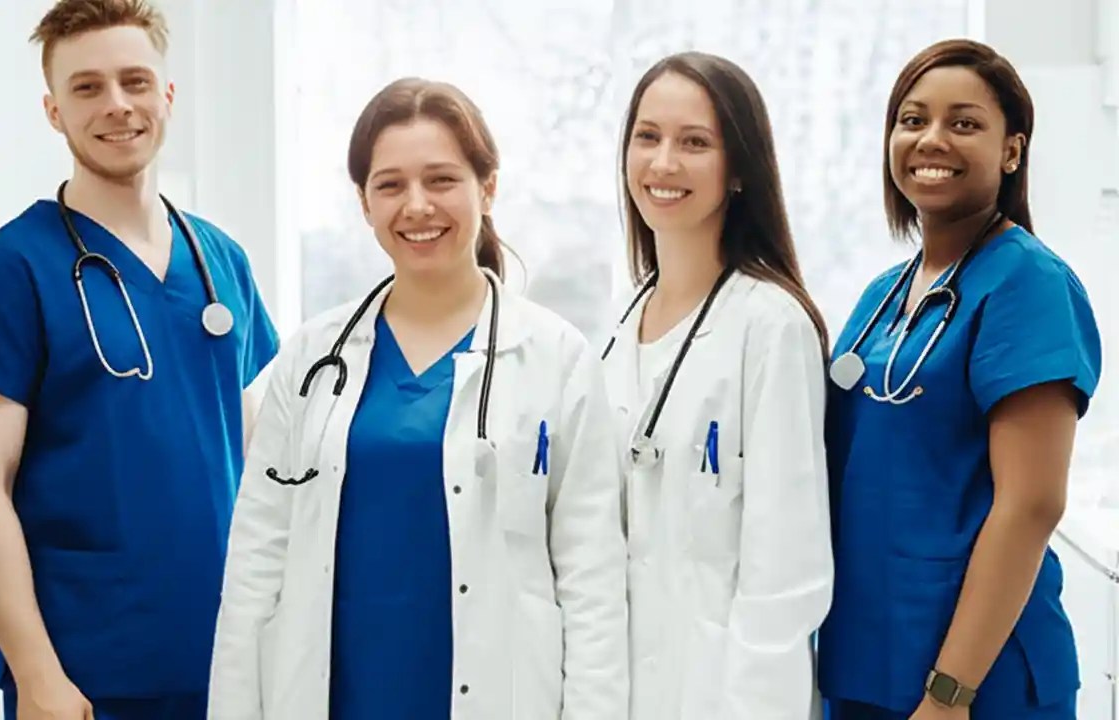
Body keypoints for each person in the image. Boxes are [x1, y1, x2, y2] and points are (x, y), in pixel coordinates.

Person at [206, 77, 629, 719]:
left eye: (441, 180)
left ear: (487, 188)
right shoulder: (311, 359)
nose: (417, 206)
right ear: (364, 202)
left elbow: (591, 581)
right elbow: (255, 570)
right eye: (390, 185)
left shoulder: (556, 357)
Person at [0, 1, 280, 718]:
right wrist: (36, 673)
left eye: (135, 81)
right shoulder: (9, 270)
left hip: (230, 655)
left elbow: (247, 449)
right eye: (87, 87)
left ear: (168, 95)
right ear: (53, 110)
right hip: (88, 670)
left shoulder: (220, 259)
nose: (117, 105)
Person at [818, 39, 1103, 720]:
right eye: (912, 120)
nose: (932, 140)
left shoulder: (1028, 284)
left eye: (964, 123)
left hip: (976, 681)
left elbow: (1031, 505)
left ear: (1012, 151)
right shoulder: (882, 296)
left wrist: (950, 693)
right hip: (868, 664)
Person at [600, 50, 834, 719]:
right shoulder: (621, 323)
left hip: (726, 697)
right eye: (648, 136)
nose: (663, 163)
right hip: (621, 691)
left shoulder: (771, 325)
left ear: (738, 170)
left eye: (694, 143)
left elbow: (785, 570)